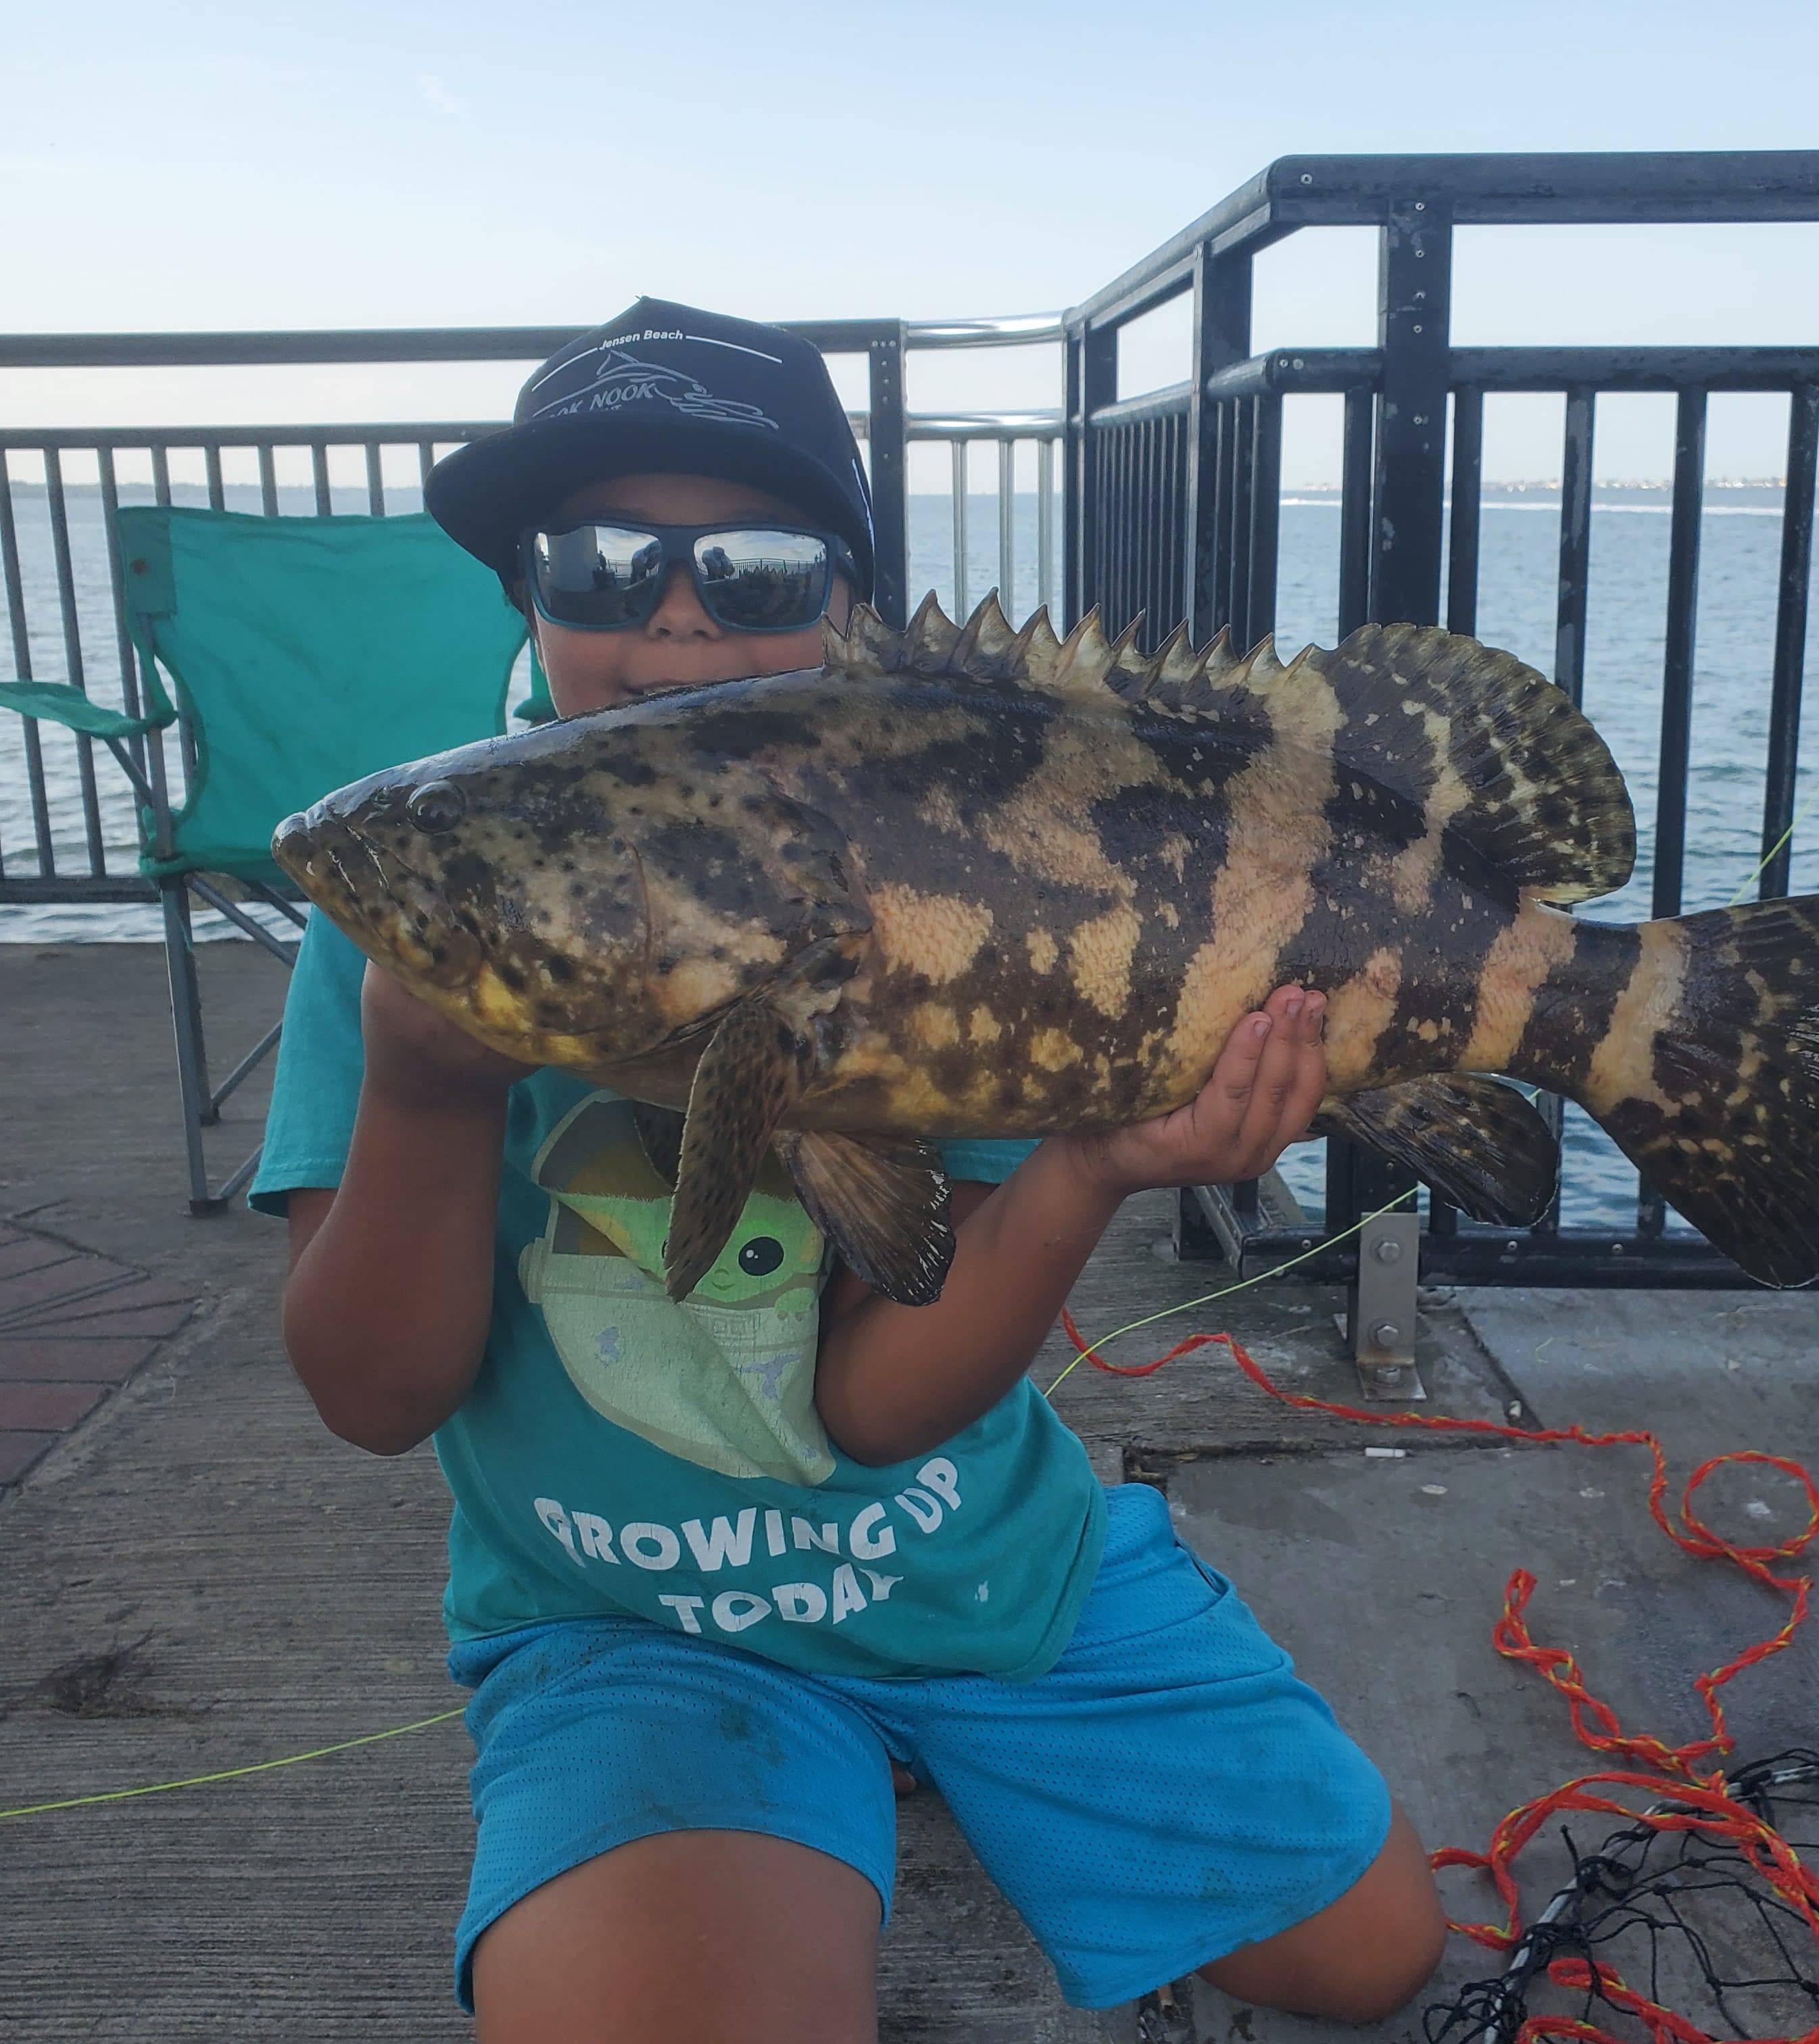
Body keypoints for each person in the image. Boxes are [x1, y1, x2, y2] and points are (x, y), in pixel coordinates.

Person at [256, 297, 1447, 2044]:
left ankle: (981, 1691)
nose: (669, 616)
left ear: (845, 610)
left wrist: (1095, 1164)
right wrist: (427, 1091)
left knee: (1374, 1960)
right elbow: (371, 1396)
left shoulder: (920, 884)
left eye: (750, 566)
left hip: (978, 1565)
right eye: (593, 562)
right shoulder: (407, 937)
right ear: (527, 596)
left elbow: (882, 1409)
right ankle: (793, 1778)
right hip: (631, 1629)